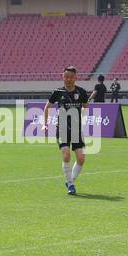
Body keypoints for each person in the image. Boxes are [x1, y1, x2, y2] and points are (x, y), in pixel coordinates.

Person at [47, 66, 90, 196]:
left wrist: (83, 114)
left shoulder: (81, 92)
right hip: (63, 128)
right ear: (62, 77)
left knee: (81, 159)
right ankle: (70, 184)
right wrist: (45, 123)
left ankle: (70, 179)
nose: (68, 79)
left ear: (75, 77)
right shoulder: (57, 92)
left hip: (77, 129)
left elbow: (86, 106)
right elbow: (47, 107)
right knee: (66, 155)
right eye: (66, 76)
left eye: (71, 77)